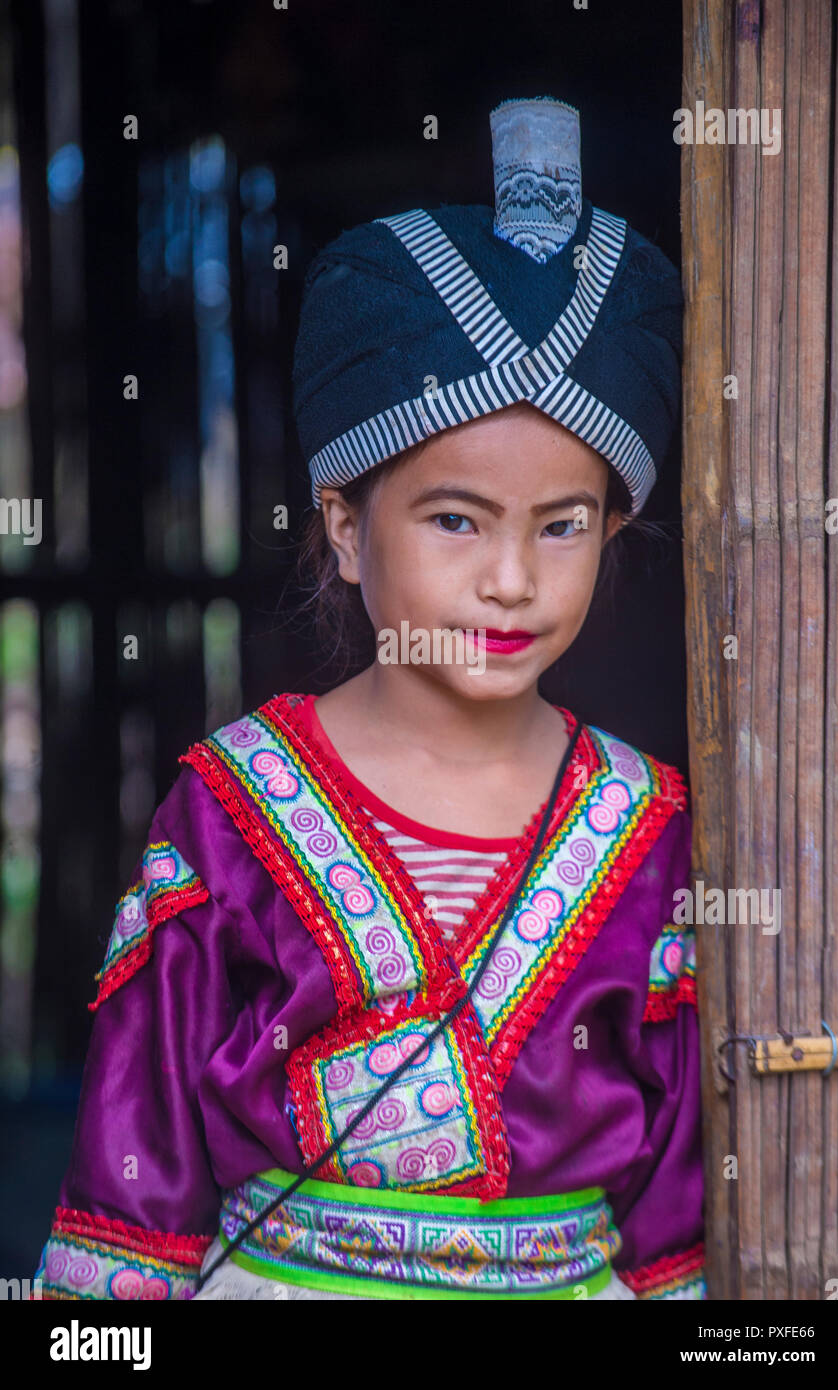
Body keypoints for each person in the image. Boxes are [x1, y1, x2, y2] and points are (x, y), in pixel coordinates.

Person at [33, 97, 704, 1301]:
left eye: (563, 526)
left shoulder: (653, 830)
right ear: (343, 527)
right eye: (455, 518)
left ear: (613, 533)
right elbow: (133, 1193)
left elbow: (680, 1217)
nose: (510, 578)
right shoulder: (231, 807)